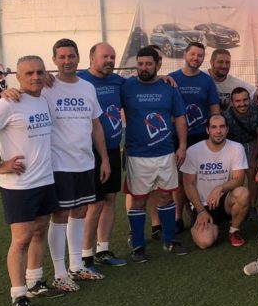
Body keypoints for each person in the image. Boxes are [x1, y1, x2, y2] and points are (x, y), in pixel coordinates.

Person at [0, 56, 58, 306]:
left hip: (44, 179)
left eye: (40, 72)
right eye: (29, 73)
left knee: (40, 231)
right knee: (21, 239)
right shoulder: (8, 102)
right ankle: (18, 296)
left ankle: (35, 282)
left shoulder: (42, 98)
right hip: (19, 185)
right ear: (17, 77)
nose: (35, 77)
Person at [37, 39, 111, 290]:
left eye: (71, 56)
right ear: (54, 59)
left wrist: (104, 159)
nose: (67, 61)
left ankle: (76, 266)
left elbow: (96, 126)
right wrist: (9, 90)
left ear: (79, 58)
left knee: (80, 212)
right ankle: (59, 273)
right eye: (62, 57)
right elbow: (23, 91)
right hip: (59, 164)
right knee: (59, 216)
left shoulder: (87, 87)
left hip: (85, 162)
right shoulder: (46, 86)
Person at [121, 46, 188, 261]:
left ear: (158, 64)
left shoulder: (169, 87)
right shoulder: (127, 86)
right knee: (139, 200)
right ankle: (138, 246)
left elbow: (179, 118)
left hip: (165, 152)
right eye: (140, 64)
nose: (144, 68)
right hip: (137, 155)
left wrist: (182, 146)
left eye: (148, 64)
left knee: (165, 196)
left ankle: (170, 240)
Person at [77, 42, 128, 268]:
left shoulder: (118, 80)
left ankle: (103, 250)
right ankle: (85, 256)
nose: (109, 60)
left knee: (109, 200)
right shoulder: (79, 80)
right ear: (92, 58)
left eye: (112, 57)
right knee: (94, 204)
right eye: (105, 56)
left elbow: (142, 85)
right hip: (90, 152)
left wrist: (166, 78)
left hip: (113, 149)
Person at [170, 41, 221, 228]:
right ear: (185, 54)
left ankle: (198, 211)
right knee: (178, 179)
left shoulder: (206, 80)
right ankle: (177, 217)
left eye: (200, 55)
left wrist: (216, 129)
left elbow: (214, 108)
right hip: (177, 136)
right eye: (193, 54)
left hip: (200, 135)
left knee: (197, 178)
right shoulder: (171, 78)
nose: (196, 58)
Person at [183, 114, 251, 249]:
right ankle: (198, 222)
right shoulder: (193, 151)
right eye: (213, 127)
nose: (218, 131)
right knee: (205, 242)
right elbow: (188, 184)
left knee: (242, 193)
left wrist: (219, 188)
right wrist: (201, 211)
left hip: (224, 200)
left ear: (227, 129)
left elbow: (239, 179)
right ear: (207, 130)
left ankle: (234, 230)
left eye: (222, 127)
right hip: (203, 204)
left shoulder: (236, 148)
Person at [222, 86, 258, 214]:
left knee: (253, 172)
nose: (242, 104)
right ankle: (232, 204)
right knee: (233, 176)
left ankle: (252, 206)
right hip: (233, 144)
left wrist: (254, 158)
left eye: (245, 100)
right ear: (232, 102)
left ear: (249, 99)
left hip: (251, 141)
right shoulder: (226, 116)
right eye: (238, 101)